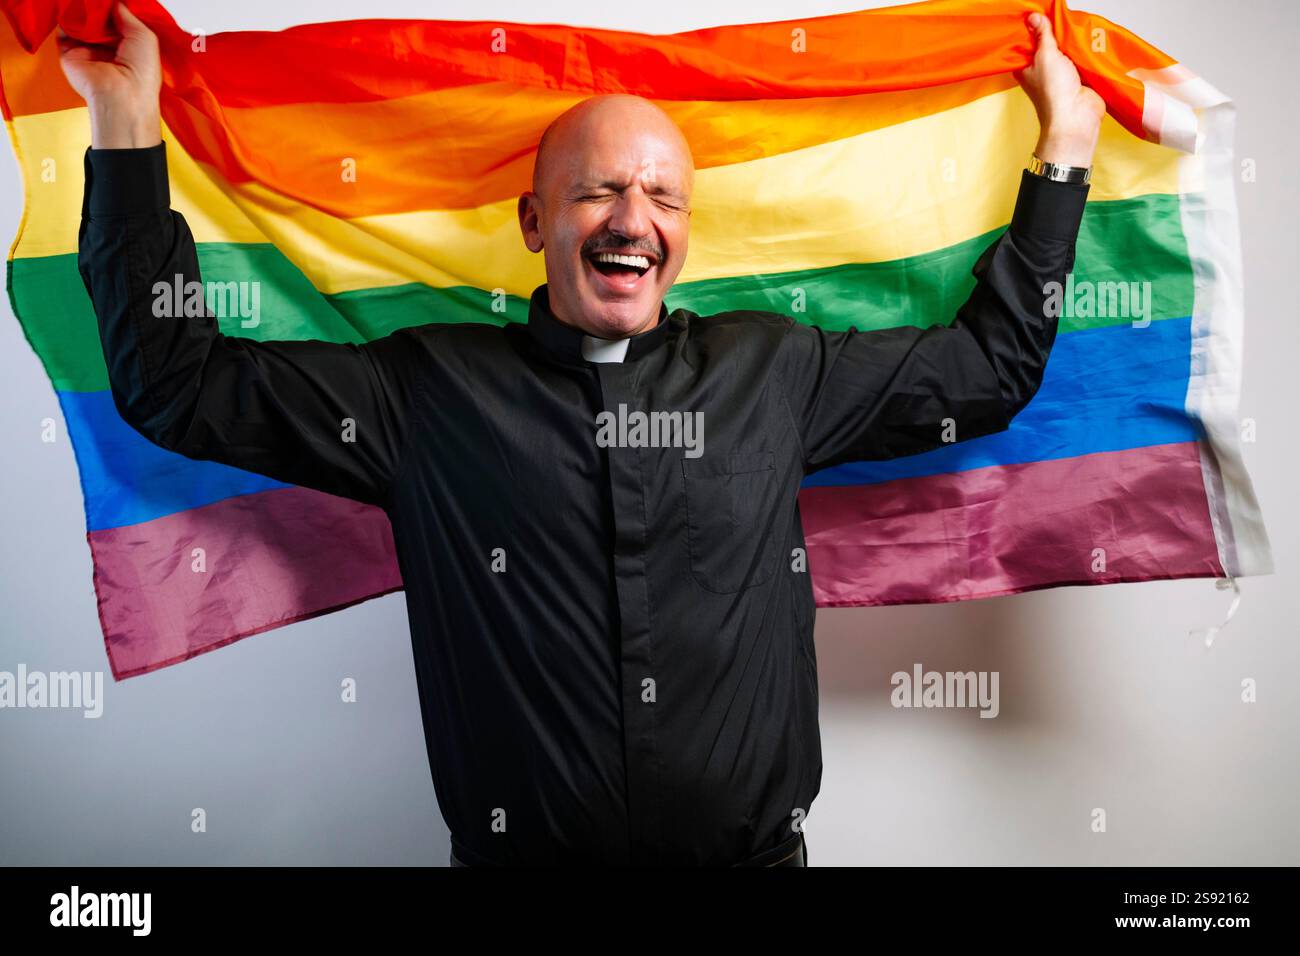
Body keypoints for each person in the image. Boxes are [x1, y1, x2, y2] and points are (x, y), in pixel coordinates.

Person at [62, 2, 1103, 866]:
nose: (630, 216)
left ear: (684, 236)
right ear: (533, 221)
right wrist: (127, 125)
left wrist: (1061, 155)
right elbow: (175, 385)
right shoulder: (424, 392)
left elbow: (987, 374)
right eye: (599, 188)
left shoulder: (775, 371)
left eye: (661, 195)